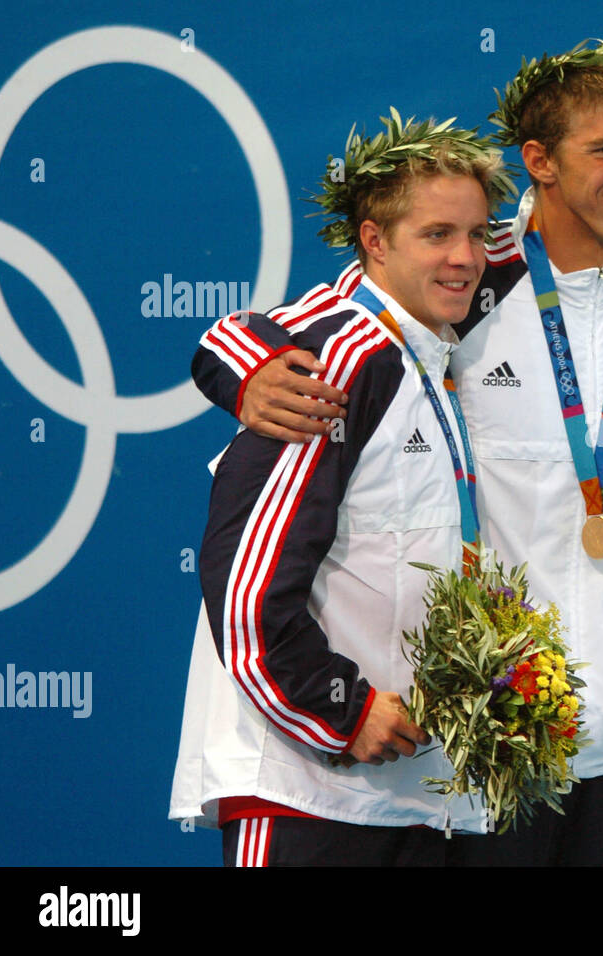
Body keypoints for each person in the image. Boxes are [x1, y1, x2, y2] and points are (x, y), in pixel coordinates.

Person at [184, 41, 603, 866]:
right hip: (483, 740)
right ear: (540, 162)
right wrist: (243, 372)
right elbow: (308, 330)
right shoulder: (472, 272)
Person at [168, 112, 517, 865]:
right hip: (307, 792)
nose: (464, 258)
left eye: (476, 235)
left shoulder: (426, 358)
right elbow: (246, 585)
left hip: (401, 795)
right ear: (373, 240)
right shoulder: (343, 358)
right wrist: (340, 709)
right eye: (436, 235)